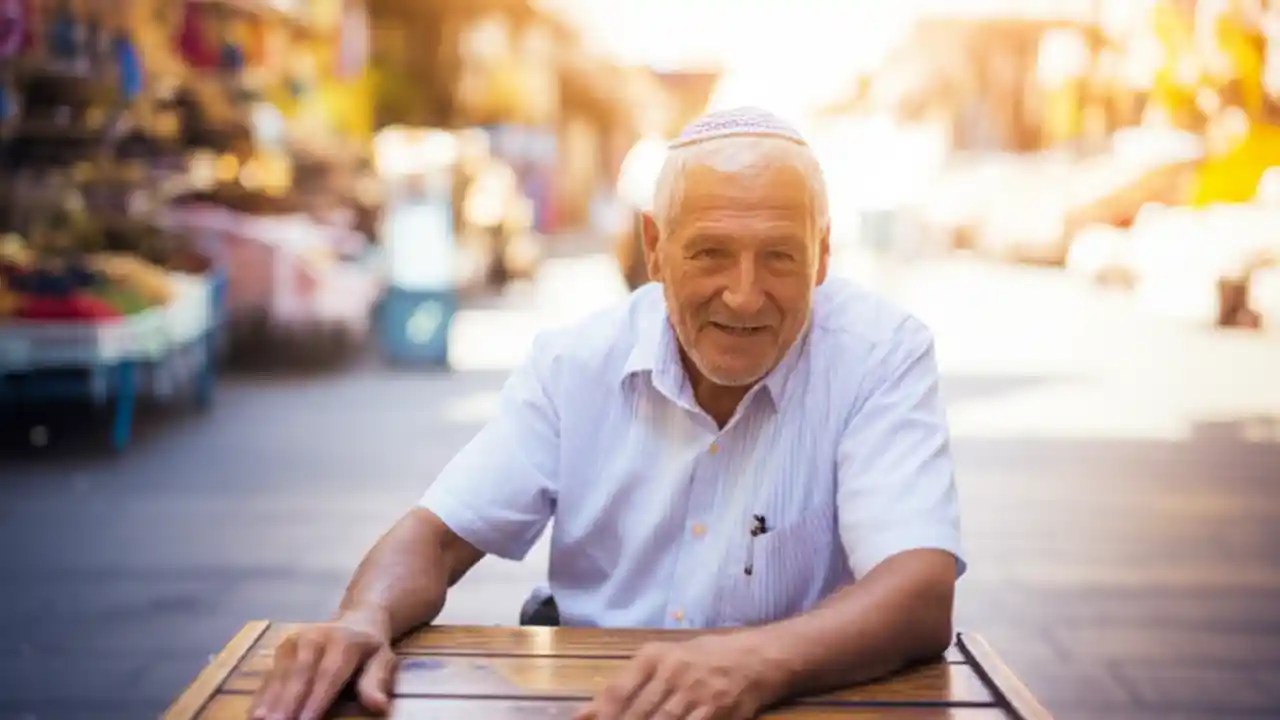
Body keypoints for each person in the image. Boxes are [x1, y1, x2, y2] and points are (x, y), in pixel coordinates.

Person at [250, 107, 965, 720]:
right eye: (711, 253)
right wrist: (362, 618)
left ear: (823, 255)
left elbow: (920, 591)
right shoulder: (576, 363)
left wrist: (755, 663)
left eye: (778, 256)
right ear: (655, 248)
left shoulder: (881, 355)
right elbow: (438, 538)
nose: (744, 296)